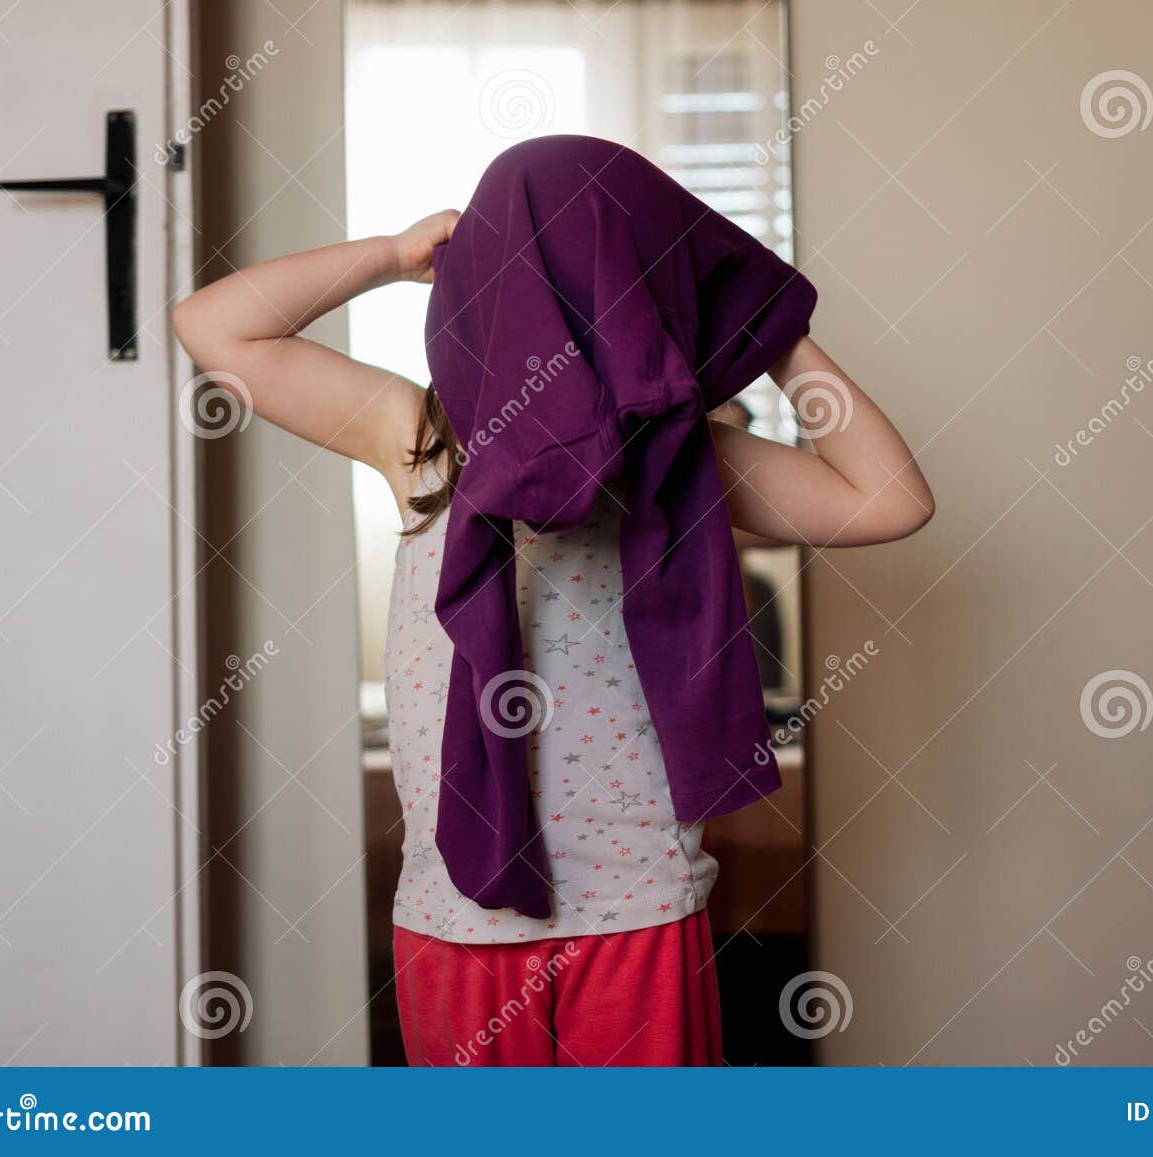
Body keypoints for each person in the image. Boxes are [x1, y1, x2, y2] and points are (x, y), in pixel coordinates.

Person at [172, 153, 933, 1067]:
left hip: (637, 911)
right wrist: (389, 252)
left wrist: (769, 325)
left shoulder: (688, 462)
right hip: (457, 916)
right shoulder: (421, 441)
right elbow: (211, 326)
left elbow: (891, 499)